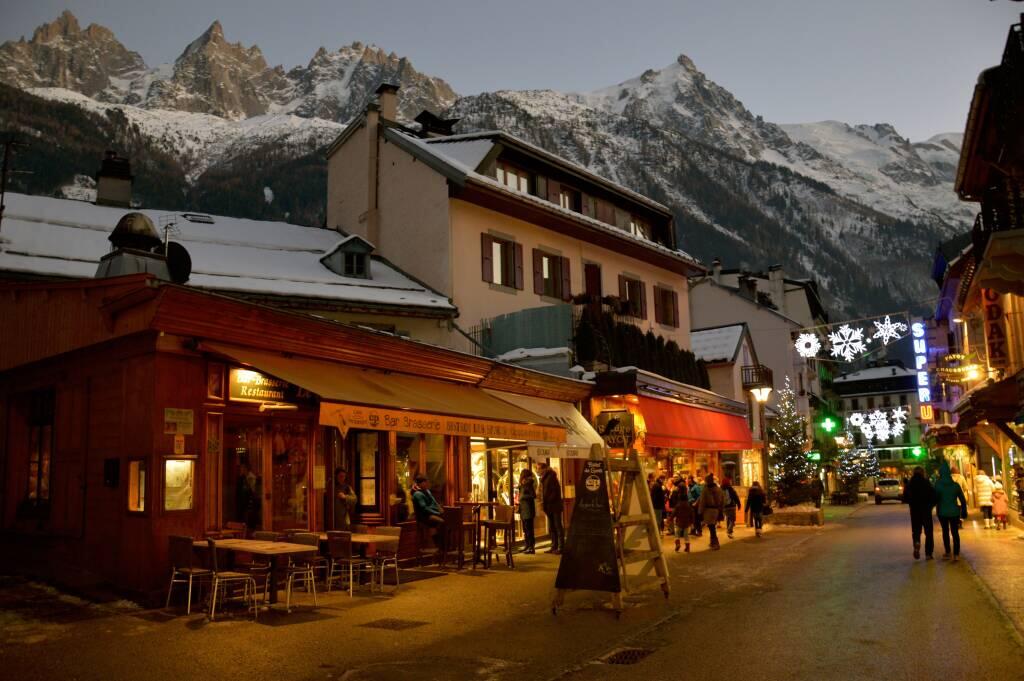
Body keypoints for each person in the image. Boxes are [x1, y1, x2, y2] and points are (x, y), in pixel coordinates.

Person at [934, 461, 968, 561]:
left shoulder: (938, 485)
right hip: (954, 512)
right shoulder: (955, 485)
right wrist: (964, 511)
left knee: (945, 531)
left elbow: (935, 499)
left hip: (942, 512)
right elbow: (962, 500)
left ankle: (948, 551)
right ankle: (956, 554)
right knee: (955, 532)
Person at [411, 474, 446, 565]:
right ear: (420, 483)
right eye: (425, 482)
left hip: (431, 513)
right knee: (441, 522)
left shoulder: (427, 491)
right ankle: (439, 546)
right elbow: (424, 508)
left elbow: (434, 501)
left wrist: (440, 509)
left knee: (447, 521)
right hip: (424, 516)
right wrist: (437, 513)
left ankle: (442, 547)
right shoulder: (417, 494)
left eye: (427, 482)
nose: (427, 484)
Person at [903, 466, 936, 560]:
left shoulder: (910, 484)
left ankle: (917, 542)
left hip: (915, 511)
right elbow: (933, 495)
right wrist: (931, 505)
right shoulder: (926, 483)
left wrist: (911, 503)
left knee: (916, 531)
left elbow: (905, 498)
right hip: (926, 511)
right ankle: (928, 554)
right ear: (923, 473)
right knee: (928, 532)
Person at [538, 463, 565, 554]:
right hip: (549, 506)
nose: (538, 471)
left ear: (544, 469)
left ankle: (561, 547)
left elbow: (554, 492)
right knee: (552, 527)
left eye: (539, 469)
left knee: (557, 526)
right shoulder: (544, 478)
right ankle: (554, 546)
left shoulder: (551, 478)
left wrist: (547, 500)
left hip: (554, 506)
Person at [697, 474, 725, 550]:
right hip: (716, 510)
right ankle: (713, 542)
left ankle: (715, 543)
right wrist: (721, 510)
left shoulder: (705, 490)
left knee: (711, 527)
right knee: (712, 526)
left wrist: (700, 512)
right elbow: (723, 500)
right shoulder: (719, 489)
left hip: (708, 511)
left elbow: (702, 501)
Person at [668, 476, 693, 552]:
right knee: (686, 535)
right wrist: (692, 521)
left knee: (677, 533)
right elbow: (692, 513)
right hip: (686, 522)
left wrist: (670, 519)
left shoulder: (678, 505)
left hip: (679, 522)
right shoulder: (688, 505)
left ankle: (678, 544)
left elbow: (674, 513)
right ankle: (687, 547)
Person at [236, 461, 261, 530]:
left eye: (242, 468)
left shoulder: (250, 477)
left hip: (250, 506)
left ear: (245, 468)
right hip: (245, 505)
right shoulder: (243, 478)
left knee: (249, 524)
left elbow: (252, 490)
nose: (240, 470)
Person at [519, 468, 537, 553]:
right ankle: (527, 545)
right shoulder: (522, 486)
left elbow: (533, 496)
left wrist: (523, 497)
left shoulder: (528, 485)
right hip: (523, 510)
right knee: (525, 529)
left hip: (528, 510)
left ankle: (531, 547)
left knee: (529, 529)